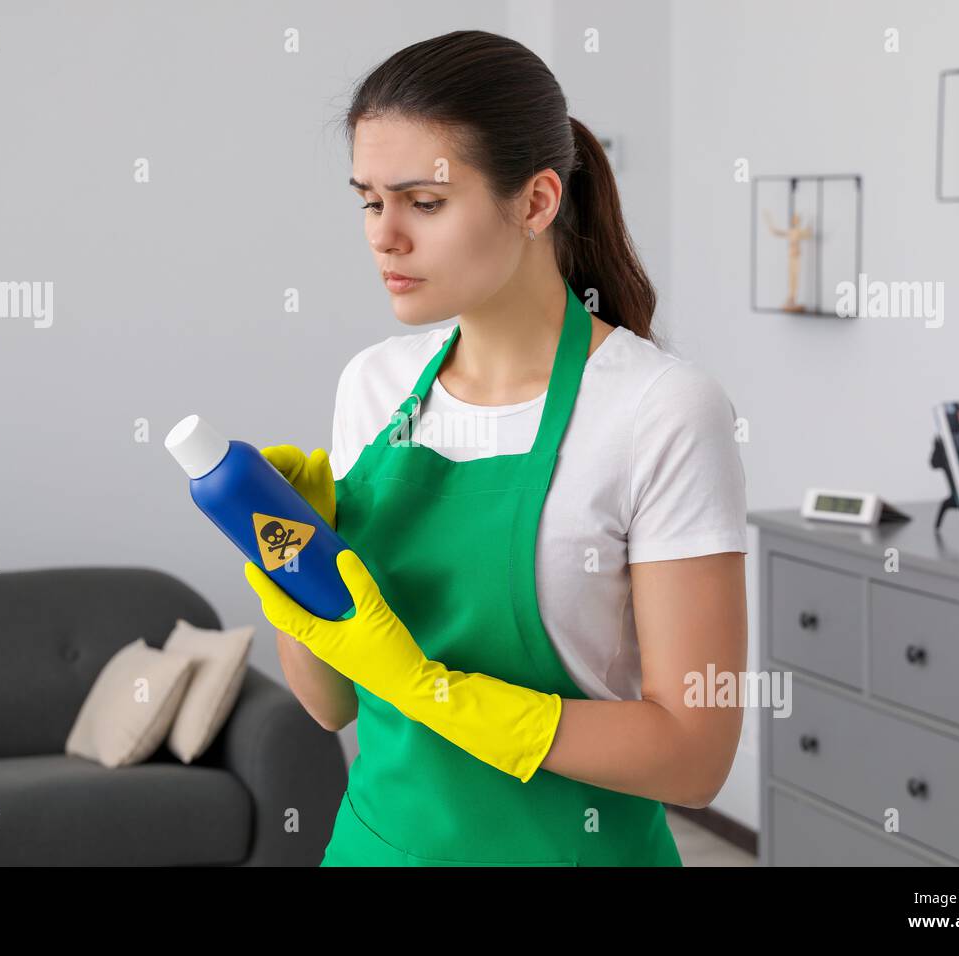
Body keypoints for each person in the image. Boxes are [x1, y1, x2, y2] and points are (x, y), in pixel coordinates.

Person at [243, 29, 748, 867]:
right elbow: (331, 703)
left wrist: (430, 690)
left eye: (425, 202)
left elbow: (695, 757)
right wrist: (284, 560)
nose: (385, 236)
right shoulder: (372, 387)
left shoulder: (660, 409)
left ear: (537, 202)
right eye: (370, 201)